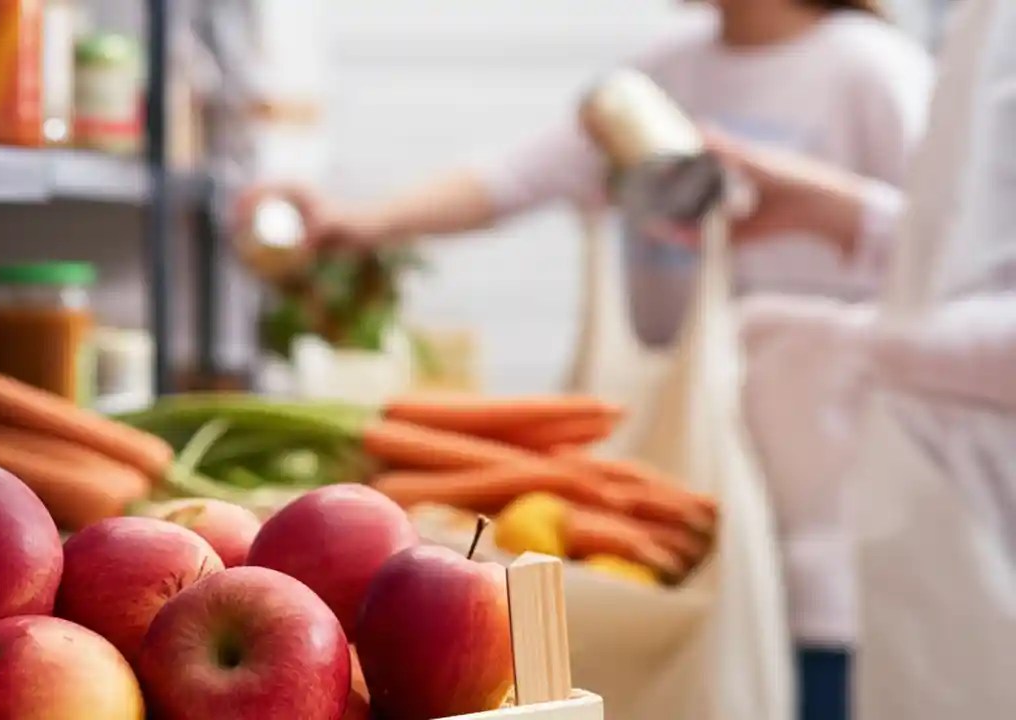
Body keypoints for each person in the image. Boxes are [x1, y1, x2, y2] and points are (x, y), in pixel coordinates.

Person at [237, 2, 933, 719]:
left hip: (822, 531)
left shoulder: (872, 70)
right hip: (677, 508)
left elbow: (952, 257)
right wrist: (356, 222)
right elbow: (512, 178)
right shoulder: (667, 69)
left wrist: (823, 203)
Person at [706, 0, 1015, 717]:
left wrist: (851, 343)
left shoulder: (871, 62)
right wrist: (846, 216)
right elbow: (978, 245)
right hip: (932, 550)